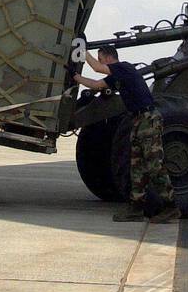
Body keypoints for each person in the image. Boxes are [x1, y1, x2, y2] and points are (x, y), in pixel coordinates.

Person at [74, 45, 178, 223]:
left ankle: (171, 207)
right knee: (136, 167)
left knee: (154, 165)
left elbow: (97, 69)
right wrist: (76, 78)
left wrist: (82, 50)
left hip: (148, 119)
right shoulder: (117, 77)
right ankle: (136, 209)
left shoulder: (124, 67)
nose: (99, 63)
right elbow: (97, 85)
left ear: (108, 58)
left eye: (100, 58)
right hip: (138, 121)